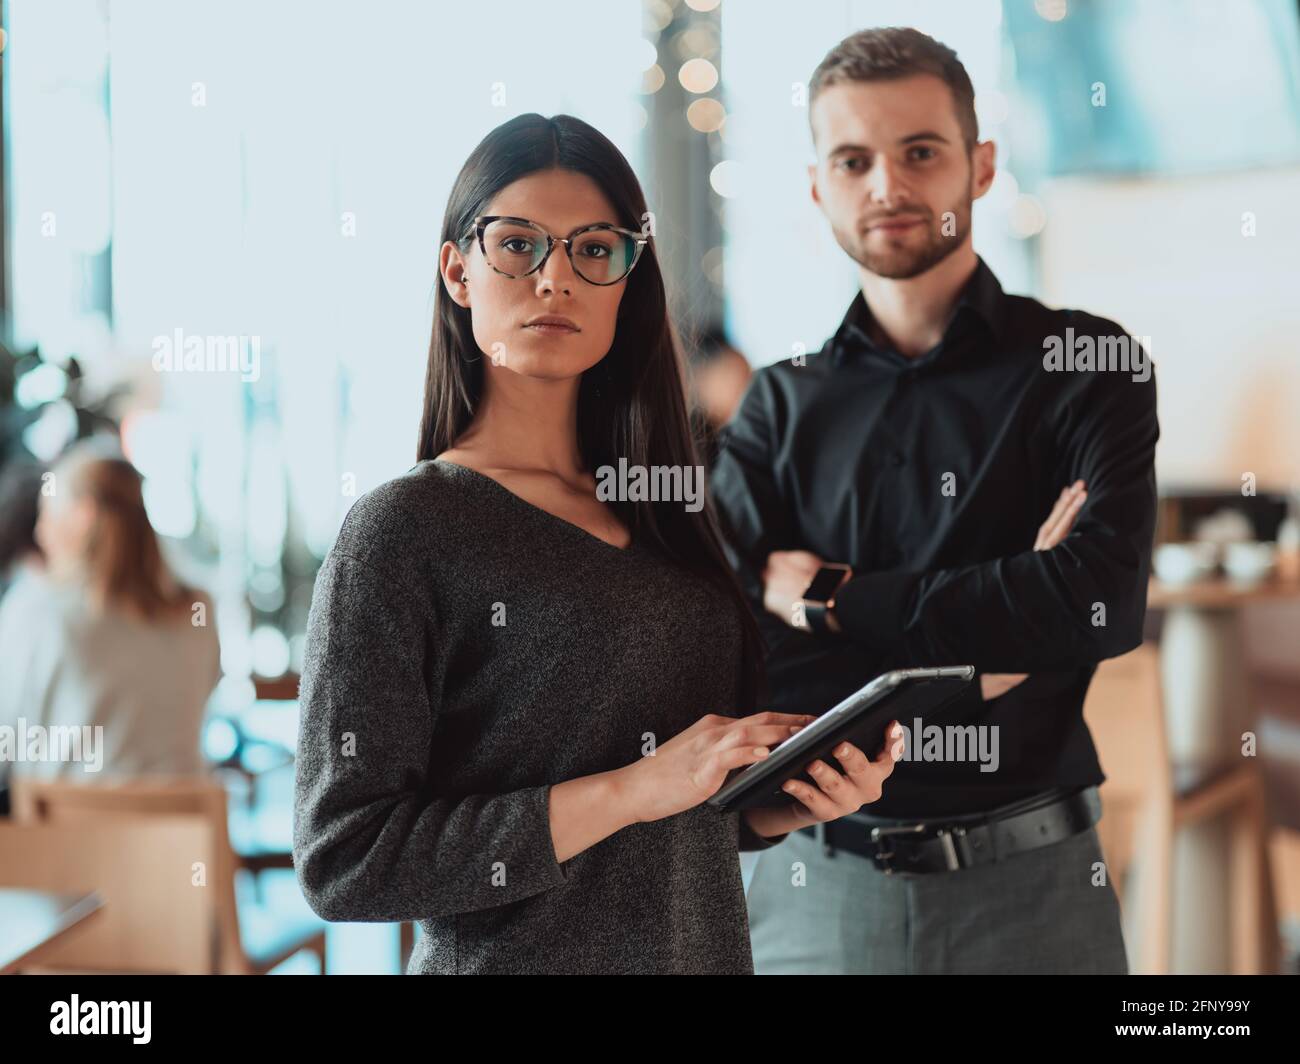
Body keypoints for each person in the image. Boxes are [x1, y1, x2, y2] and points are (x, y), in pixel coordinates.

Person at [291, 113, 903, 975]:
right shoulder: (402, 532)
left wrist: (785, 801)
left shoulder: (671, 513)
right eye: (517, 246)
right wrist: (631, 790)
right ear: (456, 271)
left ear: (627, 278)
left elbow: (696, 815)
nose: (555, 279)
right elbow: (346, 860)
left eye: (594, 250)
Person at [711, 27, 1159, 974]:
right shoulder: (777, 406)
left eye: (920, 151)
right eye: (853, 159)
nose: (887, 186)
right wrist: (995, 646)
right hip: (811, 893)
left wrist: (834, 597)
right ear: (817, 185)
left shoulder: (1087, 367)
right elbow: (751, 655)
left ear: (980, 167)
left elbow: (1098, 602)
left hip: (1034, 887)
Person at [0, 438, 220, 801]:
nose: (40, 532)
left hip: (66, 844)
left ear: (84, 514)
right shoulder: (199, 608)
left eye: (48, 515)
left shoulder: (36, 607)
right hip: (185, 840)